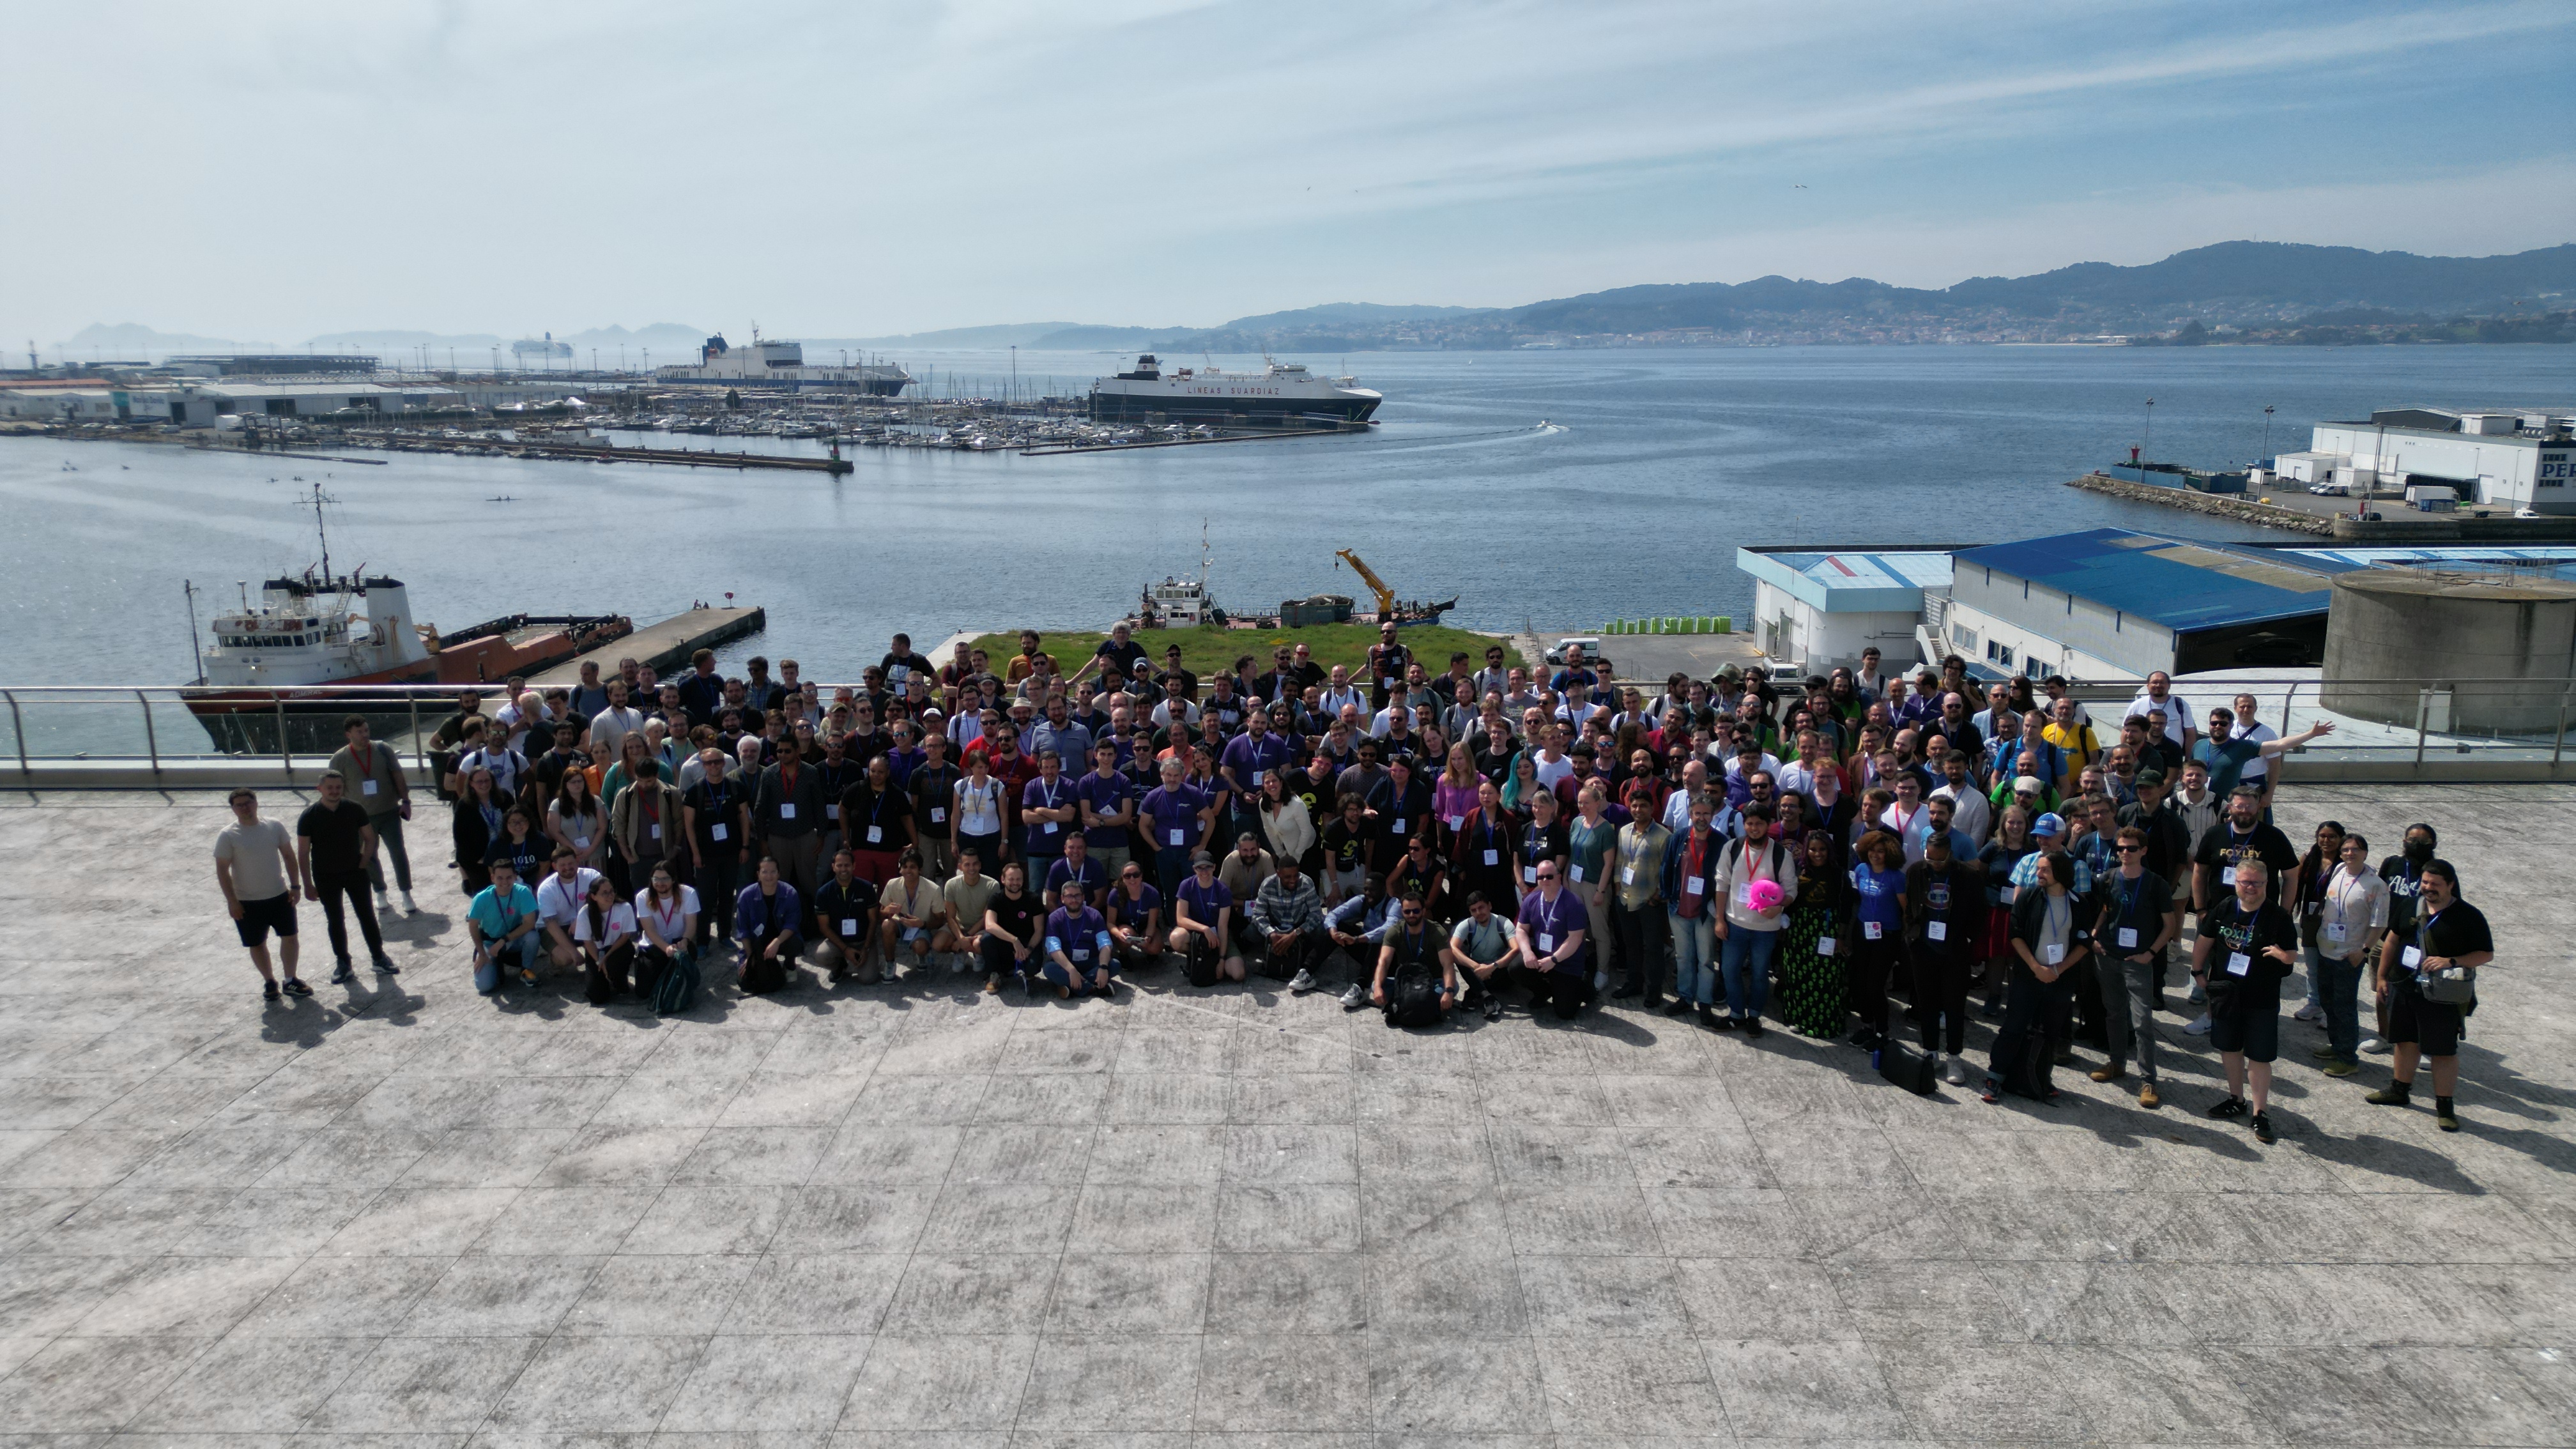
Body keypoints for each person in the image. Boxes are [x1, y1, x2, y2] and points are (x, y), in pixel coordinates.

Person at [2365, 859, 2492, 1132]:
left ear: (2451, 885)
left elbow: (2485, 954)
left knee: (2443, 1051)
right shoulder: (2411, 906)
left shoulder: (2469, 916)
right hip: (2405, 986)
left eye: (2435, 884)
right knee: (2404, 1041)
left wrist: (2451, 961)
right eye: (2425, 883)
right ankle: (2399, 1090)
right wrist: (2383, 976)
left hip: (2442, 995)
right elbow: (2392, 940)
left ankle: (2445, 1106)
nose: (2428, 888)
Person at [2194, 854, 2300, 1143]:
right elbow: (2204, 940)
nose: (2250, 887)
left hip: (2261, 995)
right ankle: (2236, 1099)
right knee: (2229, 1048)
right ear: (2236, 882)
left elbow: (2292, 955)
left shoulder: (2277, 917)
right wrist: (2197, 972)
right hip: (2227, 992)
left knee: (2259, 1055)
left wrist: (2283, 956)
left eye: (2257, 882)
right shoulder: (2225, 907)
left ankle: (2259, 1112)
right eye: (2245, 882)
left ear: (2267, 884)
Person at [1983, 850, 2087, 1104]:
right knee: (2014, 1027)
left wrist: (2057, 971)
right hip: (2028, 976)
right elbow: (2015, 935)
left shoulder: (2078, 903)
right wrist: (2036, 968)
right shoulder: (2029, 897)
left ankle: (2040, 1076)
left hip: (2060, 980)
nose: (2038, 874)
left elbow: (2084, 942)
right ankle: (1994, 1076)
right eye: (2038, 869)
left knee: (2051, 1032)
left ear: (2060, 874)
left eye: (2044, 870)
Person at [2089, 825, 2179, 1107]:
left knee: (2143, 1022)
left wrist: (2151, 953)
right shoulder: (2108, 878)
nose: (2124, 853)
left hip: (2138, 960)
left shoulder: (2155, 883)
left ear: (2143, 851)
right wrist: (2094, 936)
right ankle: (2117, 1063)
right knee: (2114, 1013)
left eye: (2131, 848)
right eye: (2120, 848)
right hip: (2108, 956)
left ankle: (2148, 1079)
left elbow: (2170, 924)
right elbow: (2103, 911)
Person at [296, 771, 397, 984]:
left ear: (343, 788)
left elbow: (370, 838)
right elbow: (303, 852)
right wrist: (307, 884)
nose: (334, 791)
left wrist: (364, 861)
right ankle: (343, 962)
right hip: (326, 876)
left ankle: (378, 957)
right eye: (330, 787)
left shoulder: (354, 809)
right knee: (335, 920)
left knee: (367, 915)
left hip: (355, 873)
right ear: (320, 789)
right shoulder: (309, 816)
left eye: (338, 788)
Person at [1905, 825, 1984, 1083]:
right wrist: (1911, 935)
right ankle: (1930, 1052)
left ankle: (1954, 1058)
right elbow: (1910, 905)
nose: (1935, 864)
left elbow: (1978, 912)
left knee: (1953, 1006)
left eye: (1940, 859)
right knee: (1926, 1003)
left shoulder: (1968, 876)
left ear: (1950, 854)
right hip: (1924, 947)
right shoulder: (1917, 871)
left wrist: (1969, 938)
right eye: (1930, 858)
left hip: (1954, 950)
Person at [217, 788, 305, 1002]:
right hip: (247, 901)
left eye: (248, 802)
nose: (245, 808)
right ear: (233, 809)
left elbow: (288, 856)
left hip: (279, 895)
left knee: (290, 938)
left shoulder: (274, 826)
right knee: (256, 944)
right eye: (239, 805)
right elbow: (222, 870)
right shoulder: (228, 835)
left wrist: (295, 886)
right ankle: (269, 981)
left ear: (256, 803)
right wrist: (232, 902)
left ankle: (290, 979)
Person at [2311, 832, 2388, 1077]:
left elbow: (2380, 924)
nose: (2350, 854)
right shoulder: (2339, 870)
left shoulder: (2376, 885)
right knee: (2328, 1001)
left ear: (2365, 853)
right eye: (2346, 850)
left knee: (2344, 1007)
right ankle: (2337, 1045)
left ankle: (2348, 1058)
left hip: (2350, 955)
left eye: (2356, 850)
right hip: (2327, 949)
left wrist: (2363, 951)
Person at [326, 715, 418, 916]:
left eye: (366, 730)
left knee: (398, 853)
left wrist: (406, 802)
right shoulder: (339, 758)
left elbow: (397, 775)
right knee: (368, 856)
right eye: (359, 732)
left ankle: (406, 892)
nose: (365, 735)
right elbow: (334, 788)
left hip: (389, 812)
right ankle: (380, 890)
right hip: (360, 818)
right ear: (348, 735)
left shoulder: (383, 749)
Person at [1775, 829, 1847, 1038]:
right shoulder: (1798, 870)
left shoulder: (1838, 874)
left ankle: (1822, 1023)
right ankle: (1799, 1018)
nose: (1818, 854)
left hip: (1826, 928)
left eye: (1823, 849)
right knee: (1797, 974)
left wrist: (1840, 936)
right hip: (1799, 927)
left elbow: (1845, 907)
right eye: (1813, 850)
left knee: (1824, 978)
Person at [1660, 793, 1724, 1020]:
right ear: (1691, 814)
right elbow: (1667, 868)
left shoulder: (1721, 842)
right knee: (1683, 957)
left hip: (1705, 912)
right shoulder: (1678, 838)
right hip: (1679, 909)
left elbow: (1724, 879)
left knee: (1706, 960)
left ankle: (1705, 1002)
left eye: (1706, 813)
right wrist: (1667, 896)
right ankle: (1686, 998)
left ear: (1713, 814)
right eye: (1697, 813)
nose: (1702, 818)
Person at [1844, 829, 1907, 1049]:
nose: (1875, 855)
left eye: (1881, 851)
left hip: (1887, 936)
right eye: (1872, 850)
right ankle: (1866, 1025)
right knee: (1859, 982)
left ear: (1889, 853)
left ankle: (1882, 1032)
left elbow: (1906, 909)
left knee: (1875, 984)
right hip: (1863, 931)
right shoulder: (1861, 869)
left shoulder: (1897, 877)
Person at [1608, 783, 1670, 1004]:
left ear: (1652, 808)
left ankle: (1654, 989)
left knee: (1653, 948)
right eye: (1634, 806)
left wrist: (1657, 896)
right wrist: (1617, 887)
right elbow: (1620, 861)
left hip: (1649, 901)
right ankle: (1634, 983)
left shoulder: (1664, 836)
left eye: (1643, 806)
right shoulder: (1624, 831)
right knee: (1631, 945)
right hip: (1625, 898)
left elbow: (1668, 870)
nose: (1638, 810)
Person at [1510, 859, 1593, 1020]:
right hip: (1542, 958)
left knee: (1565, 1013)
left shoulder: (1573, 903)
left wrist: (1554, 960)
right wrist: (1527, 952)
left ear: (1559, 877)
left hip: (1565, 962)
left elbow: (1575, 939)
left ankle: (1583, 985)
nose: (1544, 881)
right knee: (1515, 968)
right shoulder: (1531, 900)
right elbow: (1520, 929)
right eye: (1540, 877)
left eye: (1549, 876)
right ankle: (1544, 991)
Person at [685, 747, 749, 950]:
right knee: (705, 898)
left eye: (717, 762)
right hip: (706, 854)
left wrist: (745, 846)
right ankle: (703, 939)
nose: (713, 766)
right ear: (703, 766)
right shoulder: (695, 790)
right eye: (708, 763)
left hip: (731, 851)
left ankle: (724, 935)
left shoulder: (736, 787)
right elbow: (689, 825)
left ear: (724, 763)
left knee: (727, 895)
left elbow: (744, 819)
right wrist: (695, 853)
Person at [1371, 893, 1456, 1024]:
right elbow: (1384, 962)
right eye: (1407, 911)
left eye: (1416, 911)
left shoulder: (1437, 932)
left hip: (1432, 982)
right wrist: (1377, 987)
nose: (1412, 915)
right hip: (1405, 982)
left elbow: (1448, 964)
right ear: (1402, 912)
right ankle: (1425, 1004)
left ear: (1423, 911)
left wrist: (1449, 992)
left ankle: (1406, 1004)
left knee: (1453, 987)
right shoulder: (1395, 931)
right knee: (1375, 985)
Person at [468, 857, 542, 995]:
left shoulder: (523, 892)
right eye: (500, 878)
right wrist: (482, 954)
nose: (505, 882)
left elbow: (529, 923)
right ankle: (493, 965)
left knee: (533, 937)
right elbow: (473, 927)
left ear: (515, 877)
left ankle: (526, 970)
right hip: (490, 941)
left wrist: (504, 940)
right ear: (492, 878)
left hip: (513, 939)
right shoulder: (481, 898)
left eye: (509, 878)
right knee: (484, 987)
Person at [733, 855, 804, 995]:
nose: (769, 876)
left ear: (779, 874)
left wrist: (777, 942)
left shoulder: (790, 893)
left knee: (795, 944)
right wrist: (749, 957)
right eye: (764, 872)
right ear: (758, 875)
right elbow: (743, 930)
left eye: (773, 872)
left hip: (782, 938)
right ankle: (768, 963)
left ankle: (789, 965)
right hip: (757, 942)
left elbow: (792, 924)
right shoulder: (747, 896)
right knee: (745, 981)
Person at [1446, 890, 1521, 1021]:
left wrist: (1492, 967)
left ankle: (1474, 992)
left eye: (1481, 908)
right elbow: (1452, 948)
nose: (1478, 913)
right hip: (1477, 971)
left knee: (1511, 953)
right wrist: (1476, 966)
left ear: (1490, 906)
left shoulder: (1503, 923)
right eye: (1474, 910)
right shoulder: (1467, 924)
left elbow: (1516, 948)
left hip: (1499, 972)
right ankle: (1488, 997)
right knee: (1456, 954)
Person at [1172, 851, 1241, 986]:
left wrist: (1222, 960)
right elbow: (1180, 918)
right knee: (1176, 938)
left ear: (1214, 867)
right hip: (1196, 933)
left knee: (1238, 974)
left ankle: (1213, 959)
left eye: (1208, 867)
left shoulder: (1223, 890)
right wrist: (1204, 929)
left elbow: (1222, 927)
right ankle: (1194, 956)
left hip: (1219, 935)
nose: (1204, 872)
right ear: (1194, 869)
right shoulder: (1186, 885)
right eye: (1200, 868)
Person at [535, 848, 604, 980]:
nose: (568, 868)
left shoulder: (592, 876)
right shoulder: (547, 888)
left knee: (601, 942)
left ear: (577, 861)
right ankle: (555, 960)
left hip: (583, 921)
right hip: (555, 927)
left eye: (571, 863)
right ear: (554, 866)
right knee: (566, 958)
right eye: (562, 865)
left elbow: (603, 901)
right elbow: (551, 924)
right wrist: (574, 953)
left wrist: (581, 917)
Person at [814, 848, 882, 985]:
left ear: (854, 866)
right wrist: (845, 949)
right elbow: (824, 927)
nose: (843, 869)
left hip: (863, 941)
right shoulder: (823, 892)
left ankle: (872, 961)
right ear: (833, 867)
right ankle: (839, 966)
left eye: (847, 865)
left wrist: (866, 948)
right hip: (838, 942)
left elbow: (873, 920)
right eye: (839, 865)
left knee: (868, 979)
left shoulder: (867, 888)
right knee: (821, 955)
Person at [632, 862, 698, 1001]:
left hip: (679, 941)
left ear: (673, 879)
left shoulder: (688, 893)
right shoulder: (642, 896)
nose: (660, 883)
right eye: (656, 879)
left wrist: (685, 941)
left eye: (665, 879)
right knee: (643, 992)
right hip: (654, 944)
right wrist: (666, 948)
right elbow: (649, 929)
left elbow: (691, 924)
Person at [1041, 878, 1117, 998]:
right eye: (1069, 896)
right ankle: (1092, 988)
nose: (1074, 900)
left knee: (1114, 965)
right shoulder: (1054, 918)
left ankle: (1072, 986)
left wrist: (1103, 967)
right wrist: (1072, 970)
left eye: (1077, 896)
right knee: (1049, 969)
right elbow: (1054, 949)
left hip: (1090, 961)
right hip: (1067, 963)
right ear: (1062, 898)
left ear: (1083, 897)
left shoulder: (1095, 915)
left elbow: (1105, 944)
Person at [979, 860, 1045, 994]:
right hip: (1006, 941)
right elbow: (990, 925)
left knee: (1033, 967)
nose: (1015, 883)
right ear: (1003, 880)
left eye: (1018, 879)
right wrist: (1014, 941)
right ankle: (995, 974)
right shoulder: (996, 899)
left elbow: (1039, 930)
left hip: (1028, 942)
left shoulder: (1033, 899)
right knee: (986, 939)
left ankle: (1027, 973)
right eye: (1011, 879)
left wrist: (1028, 949)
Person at [878, 847, 945, 978]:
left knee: (920, 947)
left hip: (920, 927)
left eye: (913, 867)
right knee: (886, 925)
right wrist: (886, 911)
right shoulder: (892, 884)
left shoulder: (934, 889)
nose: (908, 871)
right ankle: (890, 963)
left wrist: (923, 924)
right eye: (905, 867)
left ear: (920, 870)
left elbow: (940, 920)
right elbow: (880, 914)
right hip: (900, 924)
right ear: (900, 869)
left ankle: (922, 953)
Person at [572, 874, 638, 1000]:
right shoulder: (585, 913)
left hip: (617, 948)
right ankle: (603, 979)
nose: (610, 895)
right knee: (598, 997)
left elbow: (625, 936)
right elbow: (587, 941)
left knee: (621, 959)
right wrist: (599, 961)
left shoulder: (624, 907)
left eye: (612, 891)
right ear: (594, 896)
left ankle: (618, 978)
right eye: (605, 893)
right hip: (595, 951)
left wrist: (606, 958)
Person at [450, 766, 512, 898]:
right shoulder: (464, 805)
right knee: (485, 895)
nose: (484, 785)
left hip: (504, 854)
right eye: (479, 781)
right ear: (471, 783)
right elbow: (460, 837)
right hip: (477, 859)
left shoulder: (505, 797)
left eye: (487, 780)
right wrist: (479, 859)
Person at [936, 848, 999, 976]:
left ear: (980, 865)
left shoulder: (992, 885)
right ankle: (960, 952)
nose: (972, 868)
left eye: (975, 864)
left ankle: (978, 954)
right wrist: (960, 937)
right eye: (967, 864)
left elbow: (986, 918)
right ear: (960, 867)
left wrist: (965, 938)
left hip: (982, 927)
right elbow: (950, 917)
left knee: (978, 944)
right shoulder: (951, 885)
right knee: (938, 944)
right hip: (959, 926)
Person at [1104, 859, 1165, 975]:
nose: (1132, 879)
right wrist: (1119, 934)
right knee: (1126, 933)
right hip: (1125, 926)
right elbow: (1110, 923)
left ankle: (1150, 954)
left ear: (1141, 876)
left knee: (1155, 946)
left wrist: (1149, 937)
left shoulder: (1152, 893)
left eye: (1135, 875)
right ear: (1122, 877)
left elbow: (1152, 923)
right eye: (1128, 876)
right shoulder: (1115, 894)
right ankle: (1124, 954)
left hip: (1145, 925)